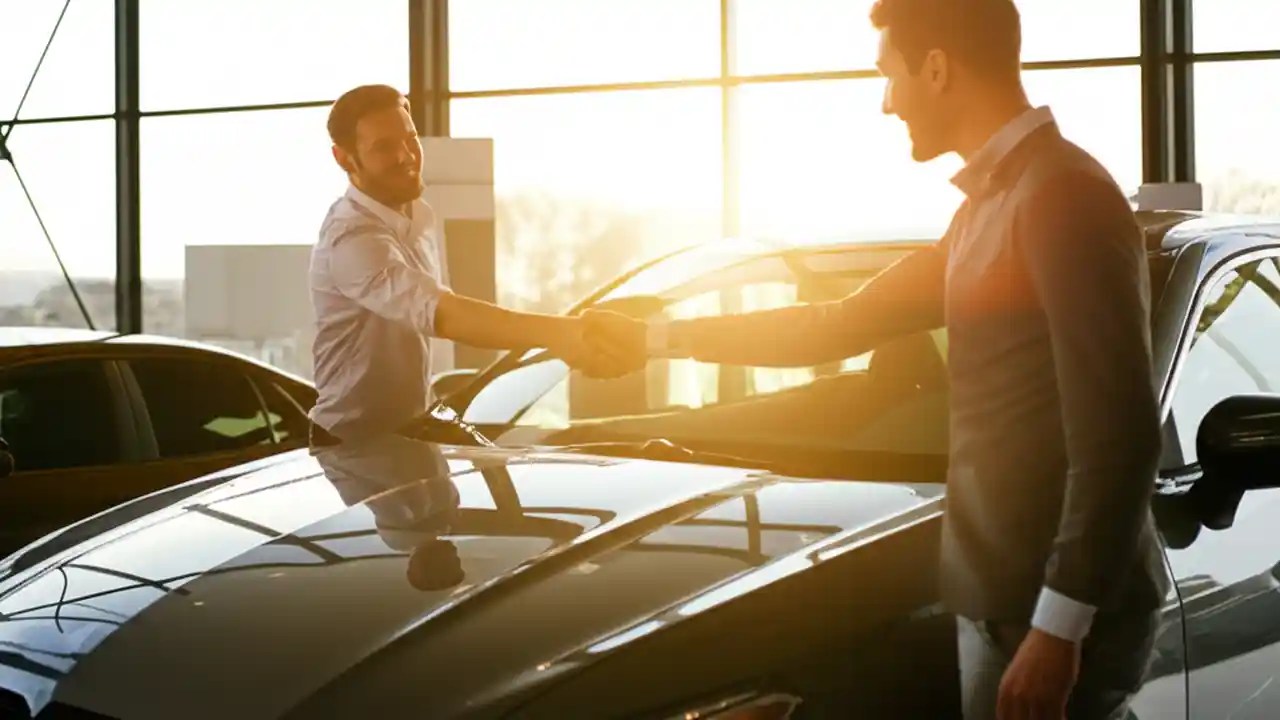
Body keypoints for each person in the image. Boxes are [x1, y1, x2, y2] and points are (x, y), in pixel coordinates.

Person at [590, 1, 1166, 717]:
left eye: (889, 76)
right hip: (1003, 604)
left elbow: (1121, 435)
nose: (887, 102)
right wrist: (654, 338)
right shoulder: (987, 208)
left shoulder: (1064, 196)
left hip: (1047, 619)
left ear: (936, 68)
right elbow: (834, 325)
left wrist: (1059, 625)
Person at [309, 84, 643, 446]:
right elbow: (445, 314)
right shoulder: (352, 239)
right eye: (383, 147)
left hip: (411, 430)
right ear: (343, 159)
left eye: (410, 138)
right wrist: (569, 334)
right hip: (351, 442)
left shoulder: (417, 213)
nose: (406, 156)